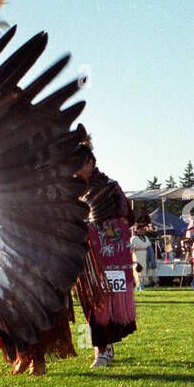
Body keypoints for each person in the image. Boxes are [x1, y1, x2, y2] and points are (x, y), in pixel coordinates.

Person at [77, 152, 137, 367]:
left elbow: (125, 219)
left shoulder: (110, 186)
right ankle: (102, 348)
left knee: (102, 303)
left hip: (108, 256)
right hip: (83, 255)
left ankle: (102, 351)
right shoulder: (73, 189)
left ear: (90, 162)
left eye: (78, 165)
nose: (74, 170)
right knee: (89, 302)